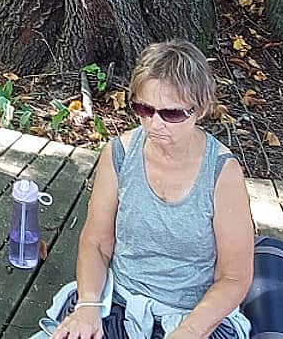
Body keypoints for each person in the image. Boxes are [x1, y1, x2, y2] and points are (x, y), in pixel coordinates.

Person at [47, 40, 254, 339]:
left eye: (171, 113)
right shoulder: (119, 154)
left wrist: (189, 331)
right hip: (121, 299)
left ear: (202, 108)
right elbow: (96, 242)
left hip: (193, 314)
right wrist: (89, 305)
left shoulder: (222, 172)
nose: (154, 124)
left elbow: (234, 277)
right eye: (144, 109)